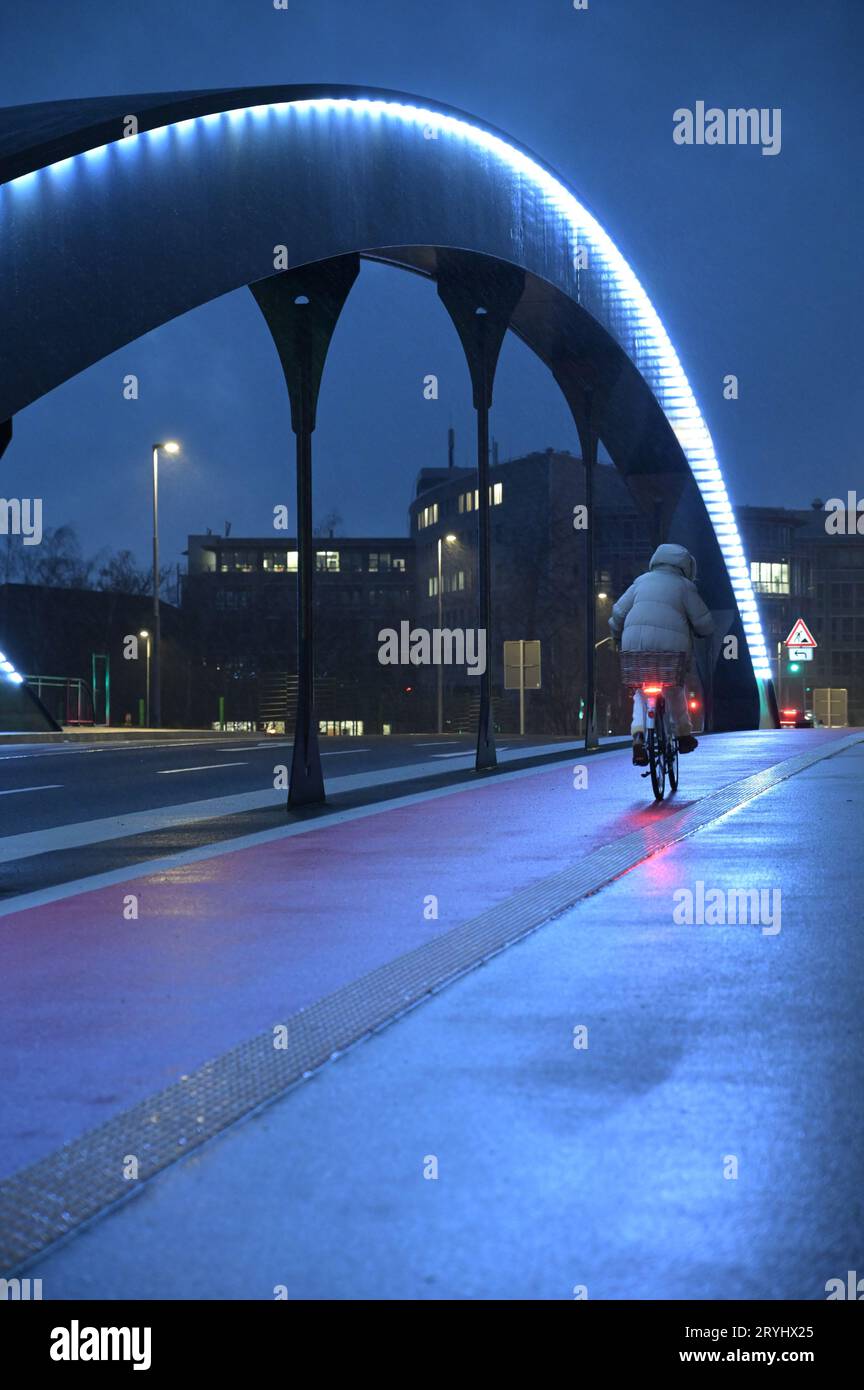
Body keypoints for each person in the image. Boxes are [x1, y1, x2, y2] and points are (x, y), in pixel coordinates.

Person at [608, 543, 714, 766]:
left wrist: (617, 636)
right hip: (670, 650)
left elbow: (618, 612)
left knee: (640, 692)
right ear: (686, 567)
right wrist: (704, 632)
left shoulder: (641, 581)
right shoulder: (685, 587)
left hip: (634, 646)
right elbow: (704, 623)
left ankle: (638, 734)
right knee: (674, 689)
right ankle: (683, 735)